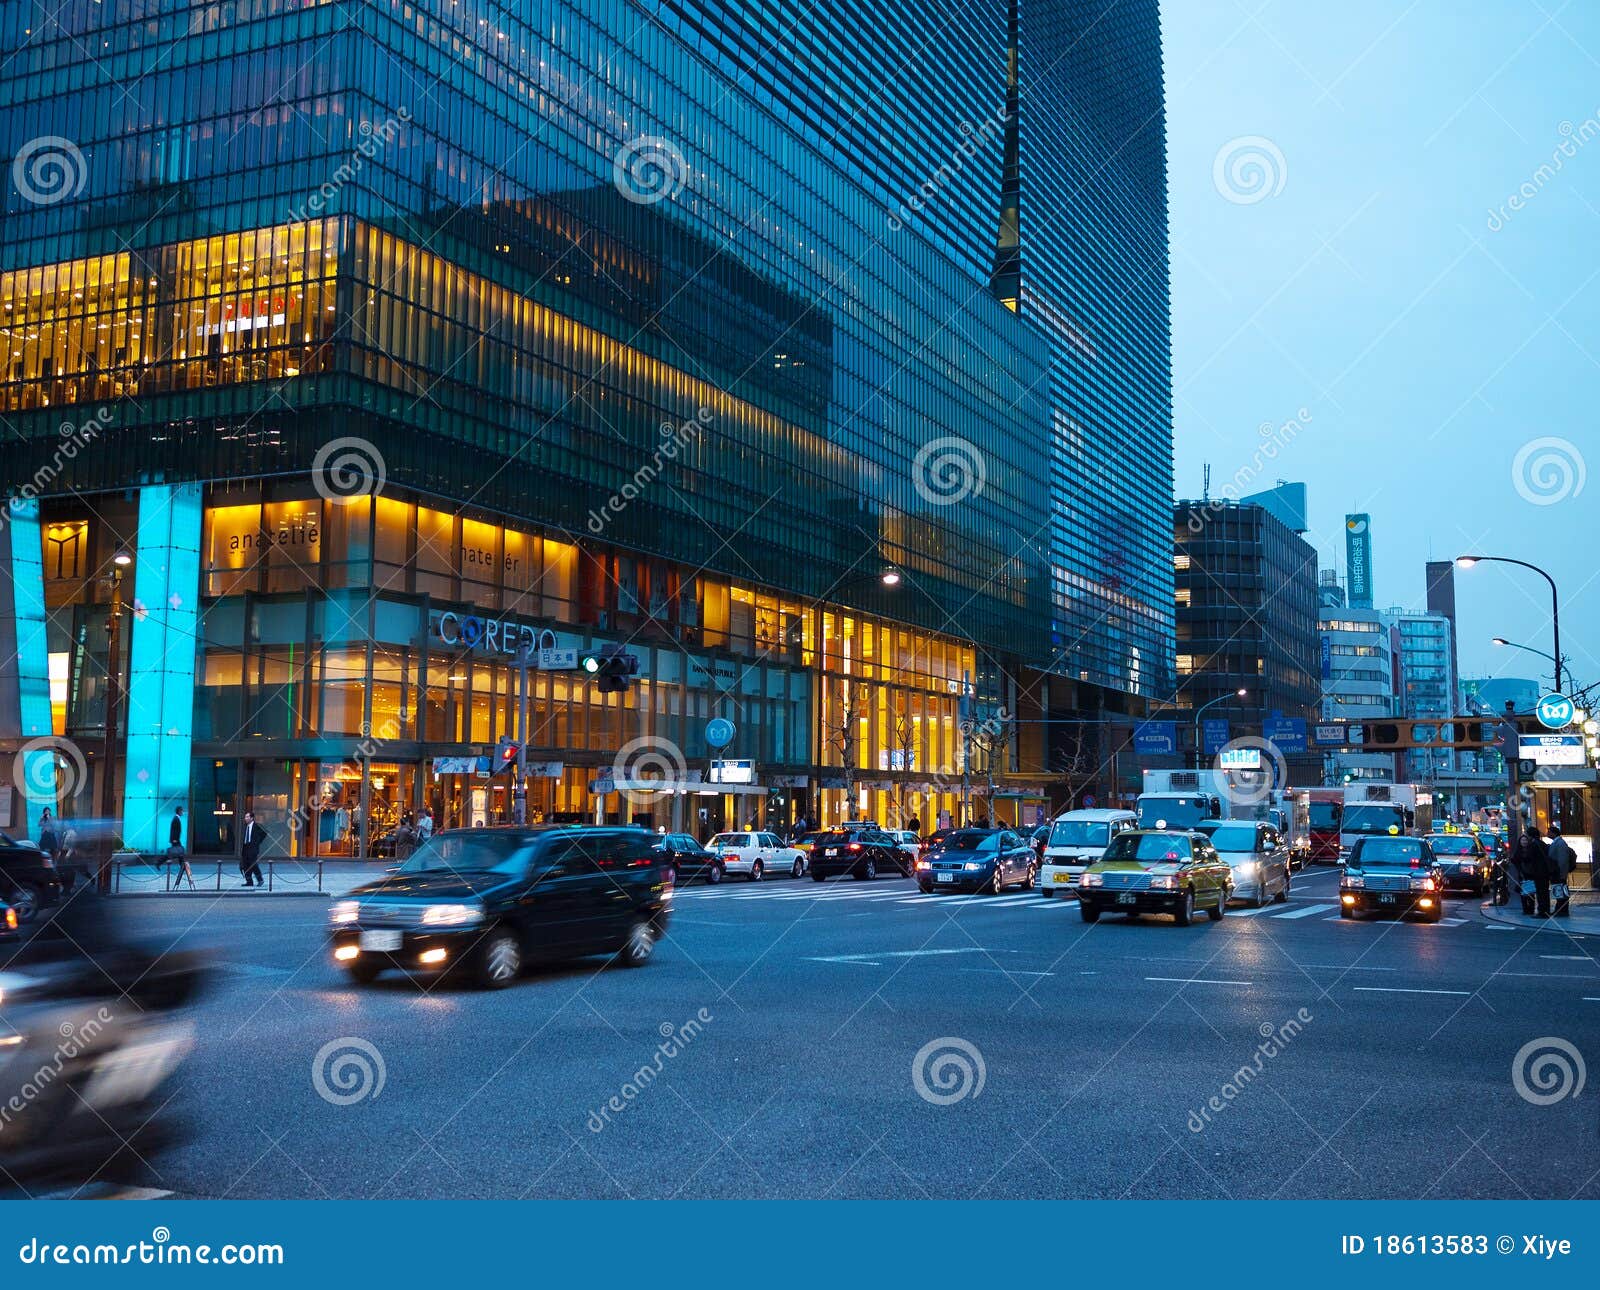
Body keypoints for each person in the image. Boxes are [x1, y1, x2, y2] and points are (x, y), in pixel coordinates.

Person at [1513, 828, 1551, 917]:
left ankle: (1542, 912)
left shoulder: (1534, 845)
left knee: (1540, 893)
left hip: (1538, 872)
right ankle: (1546, 911)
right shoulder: (1542, 843)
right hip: (1544, 872)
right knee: (1544, 892)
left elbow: (1529, 858)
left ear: (1530, 835)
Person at [1548, 825, 1575, 919]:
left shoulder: (1560, 843)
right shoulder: (1557, 842)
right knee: (1559, 890)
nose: (1547, 834)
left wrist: (1562, 874)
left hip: (1559, 872)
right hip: (1558, 872)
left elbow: (1563, 860)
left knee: (1561, 890)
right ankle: (1560, 909)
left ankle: (1562, 910)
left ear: (1554, 833)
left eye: (1549, 832)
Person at [168, 806, 195, 891]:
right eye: (182, 811)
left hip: (176, 839)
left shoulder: (177, 818)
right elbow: (174, 830)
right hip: (175, 840)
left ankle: (183, 866)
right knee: (179, 853)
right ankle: (183, 866)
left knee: (179, 854)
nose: (183, 812)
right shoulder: (175, 819)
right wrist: (174, 839)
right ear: (179, 811)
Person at [239, 810, 265, 888]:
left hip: (252, 848)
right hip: (245, 847)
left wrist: (257, 842)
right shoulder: (245, 826)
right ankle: (249, 881)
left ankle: (260, 880)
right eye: (245, 817)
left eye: (247, 817)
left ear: (252, 818)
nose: (245, 818)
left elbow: (263, 834)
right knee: (245, 865)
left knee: (253, 864)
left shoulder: (256, 826)